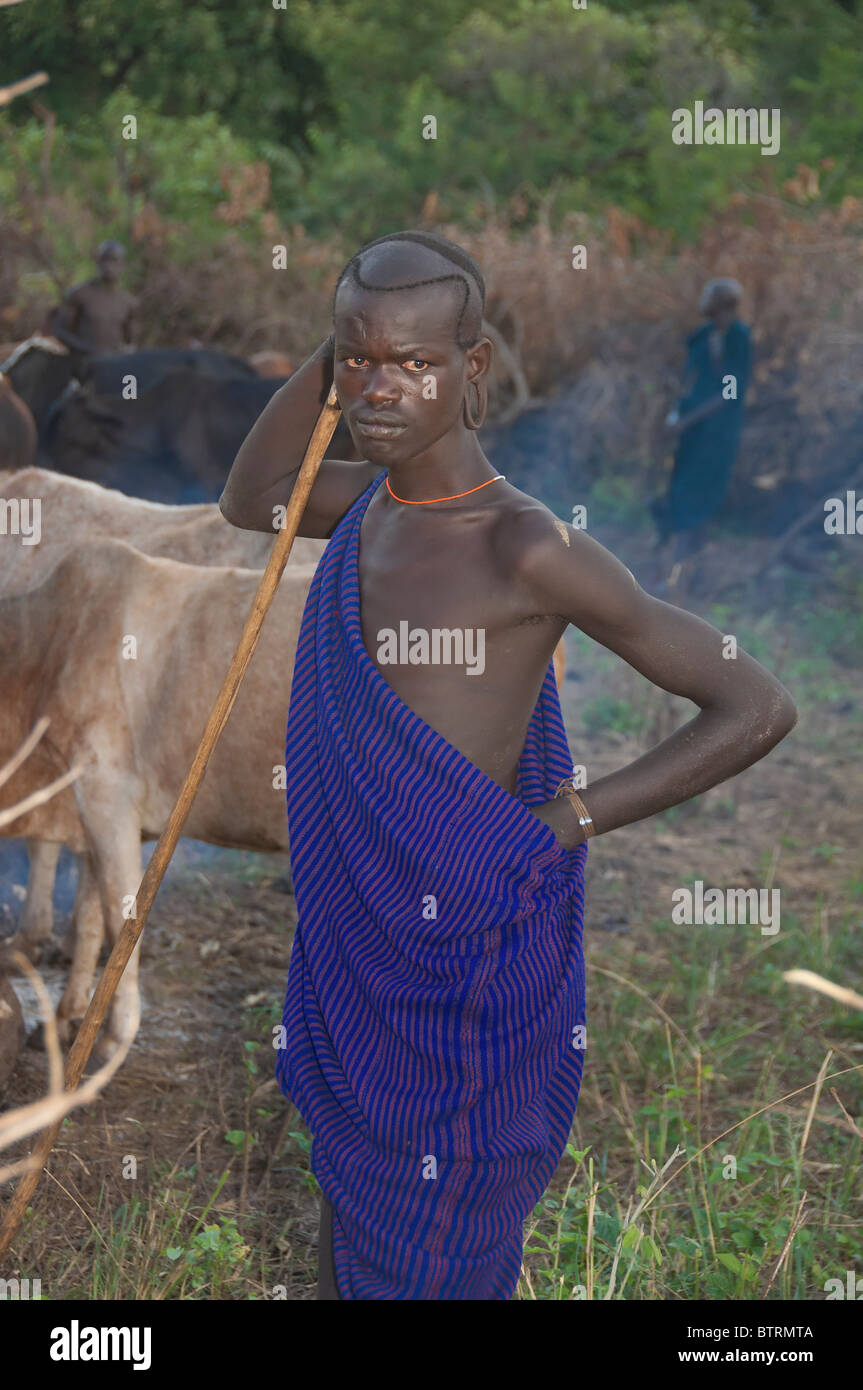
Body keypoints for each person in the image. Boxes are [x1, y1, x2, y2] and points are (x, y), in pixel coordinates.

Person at [219, 231, 795, 1301]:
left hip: (461, 964)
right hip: (361, 949)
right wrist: (332, 350)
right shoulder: (367, 509)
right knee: (353, 1216)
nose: (381, 387)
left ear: (472, 369)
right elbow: (250, 498)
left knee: (438, 1237)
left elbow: (753, 701)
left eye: (415, 361)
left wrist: (566, 817)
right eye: (360, 362)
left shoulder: (523, 546)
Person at [653, 278, 751, 592]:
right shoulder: (703, 337)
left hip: (717, 435)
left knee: (697, 495)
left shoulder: (738, 338)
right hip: (691, 434)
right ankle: (685, 571)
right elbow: (688, 383)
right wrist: (674, 417)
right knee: (680, 492)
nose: (703, 297)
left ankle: (682, 575)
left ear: (724, 303)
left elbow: (729, 393)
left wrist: (686, 421)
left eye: (710, 294)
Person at [48, 240, 136, 374]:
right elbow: (59, 331)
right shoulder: (79, 294)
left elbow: (130, 341)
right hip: (83, 367)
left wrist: (124, 353)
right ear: (97, 262)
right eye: (104, 260)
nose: (108, 266)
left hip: (115, 368)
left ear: (122, 265)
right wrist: (88, 349)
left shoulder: (127, 301)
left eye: (114, 261)